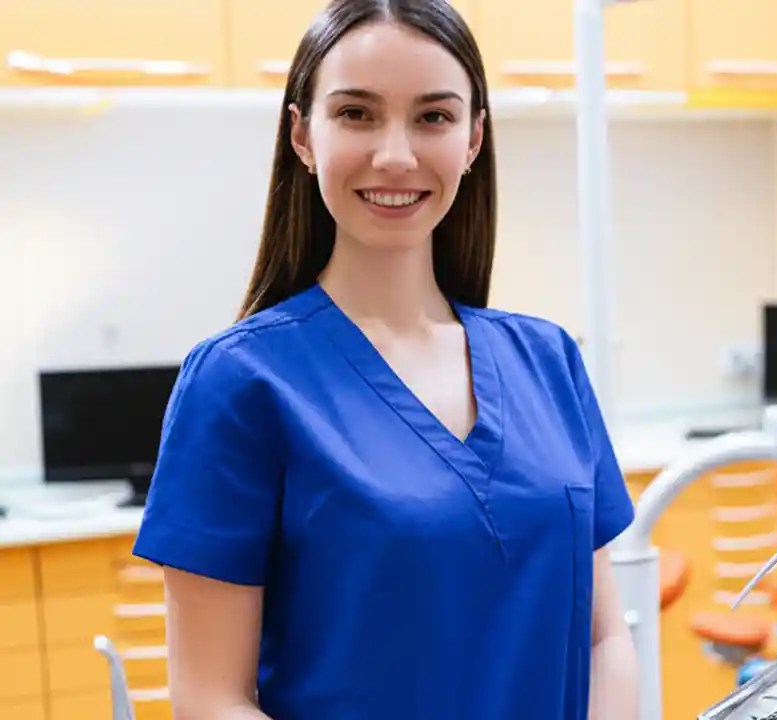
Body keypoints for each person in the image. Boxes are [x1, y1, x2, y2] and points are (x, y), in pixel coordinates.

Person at [131, 1, 639, 718]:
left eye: (433, 116)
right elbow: (208, 697)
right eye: (357, 114)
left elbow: (603, 639)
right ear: (303, 135)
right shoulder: (241, 382)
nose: (396, 155)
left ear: (473, 139)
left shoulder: (547, 360)